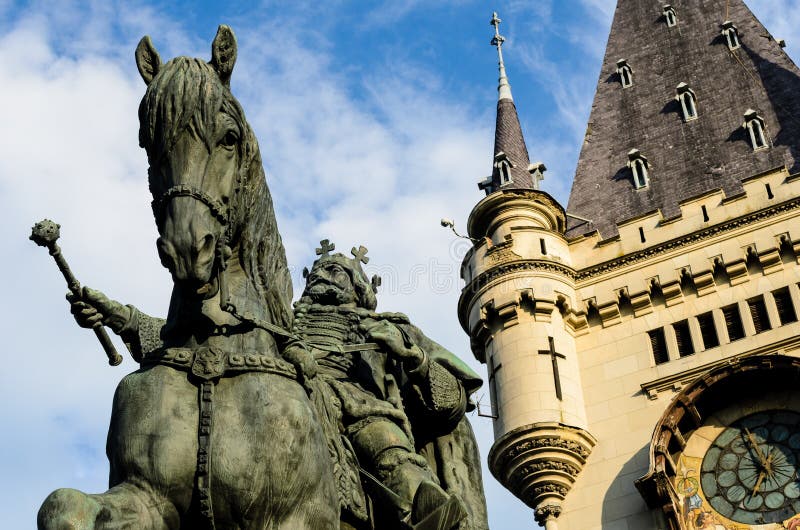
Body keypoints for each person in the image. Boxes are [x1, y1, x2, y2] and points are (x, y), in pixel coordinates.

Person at [68, 242, 489, 530]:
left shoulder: (390, 326)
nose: (327, 275)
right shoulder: (274, 319)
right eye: (322, 270)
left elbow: (448, 403)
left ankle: (424, 505)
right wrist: (124, 318)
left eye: (338, 272)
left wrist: (411, 357)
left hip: (355, 400)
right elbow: (198, 341)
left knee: (385, 445)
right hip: (286, 387)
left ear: (359, 289)